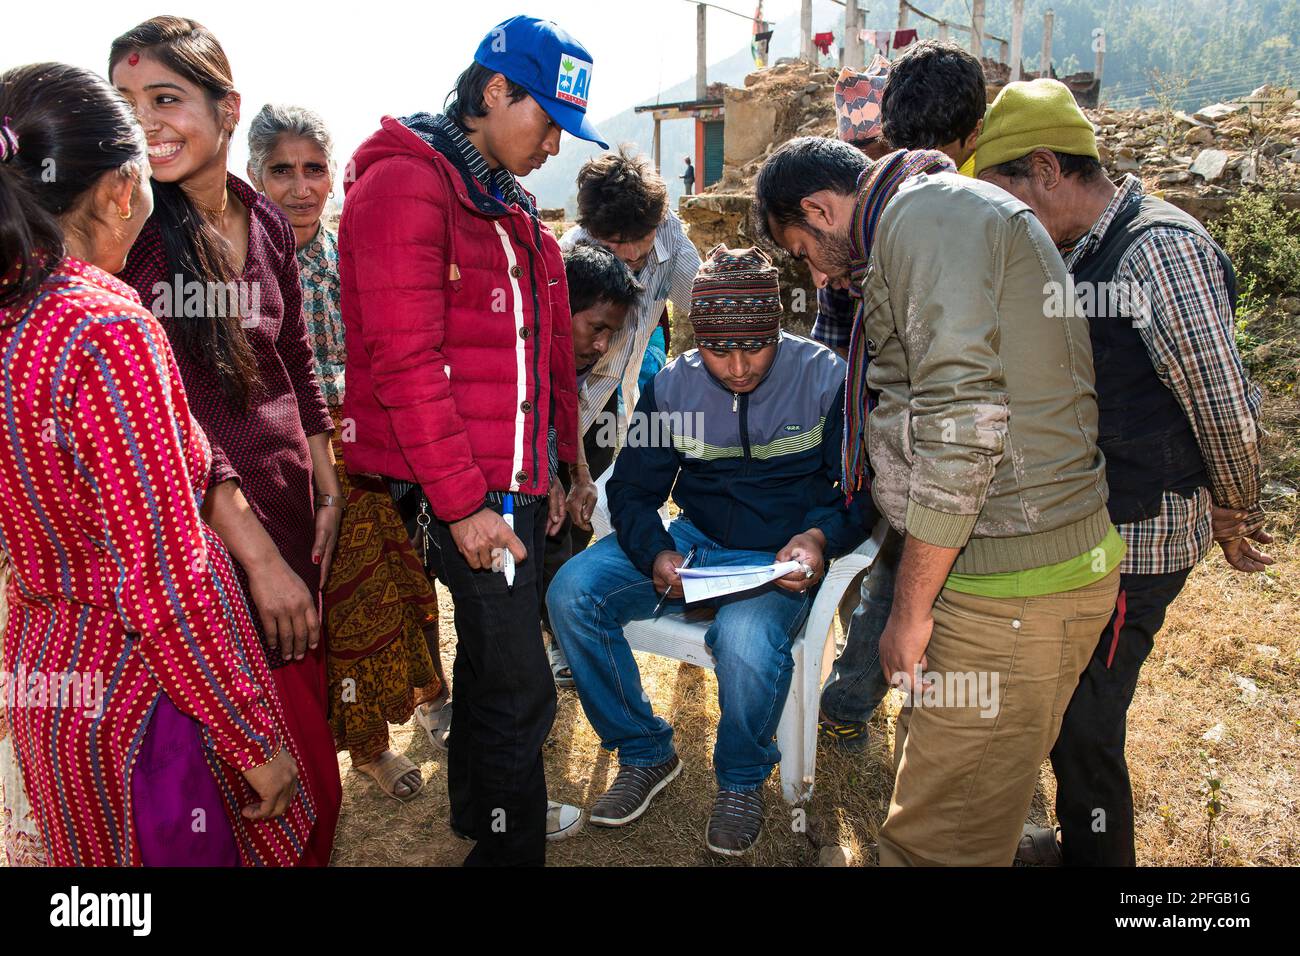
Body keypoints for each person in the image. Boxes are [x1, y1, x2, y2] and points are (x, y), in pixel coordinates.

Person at [756, 138, 1121, 866]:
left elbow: (962, 430)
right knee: (955, 798)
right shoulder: (930, 213)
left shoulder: (921, 221)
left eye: (803, 250)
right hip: (1004, 568)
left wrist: (910, 610)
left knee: (935, 843)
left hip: (1013, 584)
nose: (816, 271)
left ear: (821, 209)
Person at [0, 61, 313, 866]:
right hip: (150, 700)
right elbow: (164, 579)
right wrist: (251, 738)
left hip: (51, 683)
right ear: (115, 190)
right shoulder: (102, 327)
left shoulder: (15, 313)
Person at [975, 79, 1272, 866]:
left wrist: (1234, 509)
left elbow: (1224, 405)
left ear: (1044, 167)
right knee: (1067, 707)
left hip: (1139, 537)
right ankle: (1080, 843)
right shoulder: (1085, 249)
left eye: (1006, 197)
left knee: (1085, 725)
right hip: (1097, 530)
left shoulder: (1158, 251)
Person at [339, 15, 606, 865]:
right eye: (550, 121)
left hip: (515, 482)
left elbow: (549, 352)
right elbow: (402, 359)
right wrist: (460, 504)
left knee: (497, 671)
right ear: (496, 91)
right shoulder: (406, 186)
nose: (557, 145)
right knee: (520, 685)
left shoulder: (509, 201)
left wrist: (565, 463)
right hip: (460, 487)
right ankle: (507, 842)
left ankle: (478, 813)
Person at [547, 246, 872, 857]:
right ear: (700, 339)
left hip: (778, 558)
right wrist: (655, 553)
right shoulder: (673, 385)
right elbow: (638, 492)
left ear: (778, 329)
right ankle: (645, 749)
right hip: (696, 545)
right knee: (572, 591)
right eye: (721, 349)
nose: (740, 366)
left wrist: (820, 539)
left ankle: (742, 778)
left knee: (747, 641)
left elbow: (858, 489)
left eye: (756, 346)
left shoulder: (827, 379)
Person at [110, 16, 342, 865]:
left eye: (165, 98)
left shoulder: (264, 218)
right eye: (126, 102)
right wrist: (258, 561)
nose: (145, 122)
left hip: (290, 521)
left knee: (307, 770)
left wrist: (325, 482)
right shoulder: (135, 238)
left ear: (226, 107)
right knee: (257, 784)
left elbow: (293, 353)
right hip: (209, 553)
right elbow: (161, 425)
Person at [248, 103, 453, 801]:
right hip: (285, 467)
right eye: (282, 171)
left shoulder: (351, 250)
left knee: (396, 589)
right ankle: (340, 748)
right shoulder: (237, 262)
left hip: (372, 456)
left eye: (314, 169)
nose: (301, 187)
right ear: (254, 175)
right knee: (320, 610)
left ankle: (402, 721)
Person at [817, 40, 991, 753]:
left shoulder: (918, 208)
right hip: (906, 441)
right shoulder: (962, 205)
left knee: (897, 580)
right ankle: (870, 699)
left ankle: (873, 701)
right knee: (893, 579)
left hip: (916, 437)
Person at [549, 147, 699, 679]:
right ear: (593, 233)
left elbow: (701, 306)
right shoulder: (570, 256)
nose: (633, 262)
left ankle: (575, 614)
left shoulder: (671, 240)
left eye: (642, 251)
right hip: (559, 399)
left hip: (614, 395)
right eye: (619, 252)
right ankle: (561, 632)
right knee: (554, 518)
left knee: (588, 509)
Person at [539, 241, 641, 686]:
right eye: (596, 329)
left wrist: (579, 476)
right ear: (561, 306)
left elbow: (569, 410)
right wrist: (546, 476)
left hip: (546, 468)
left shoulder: (575, 355)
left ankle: (554, 636)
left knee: (560, 551)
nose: (602, 346)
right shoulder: (520, 344)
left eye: (611, 335)